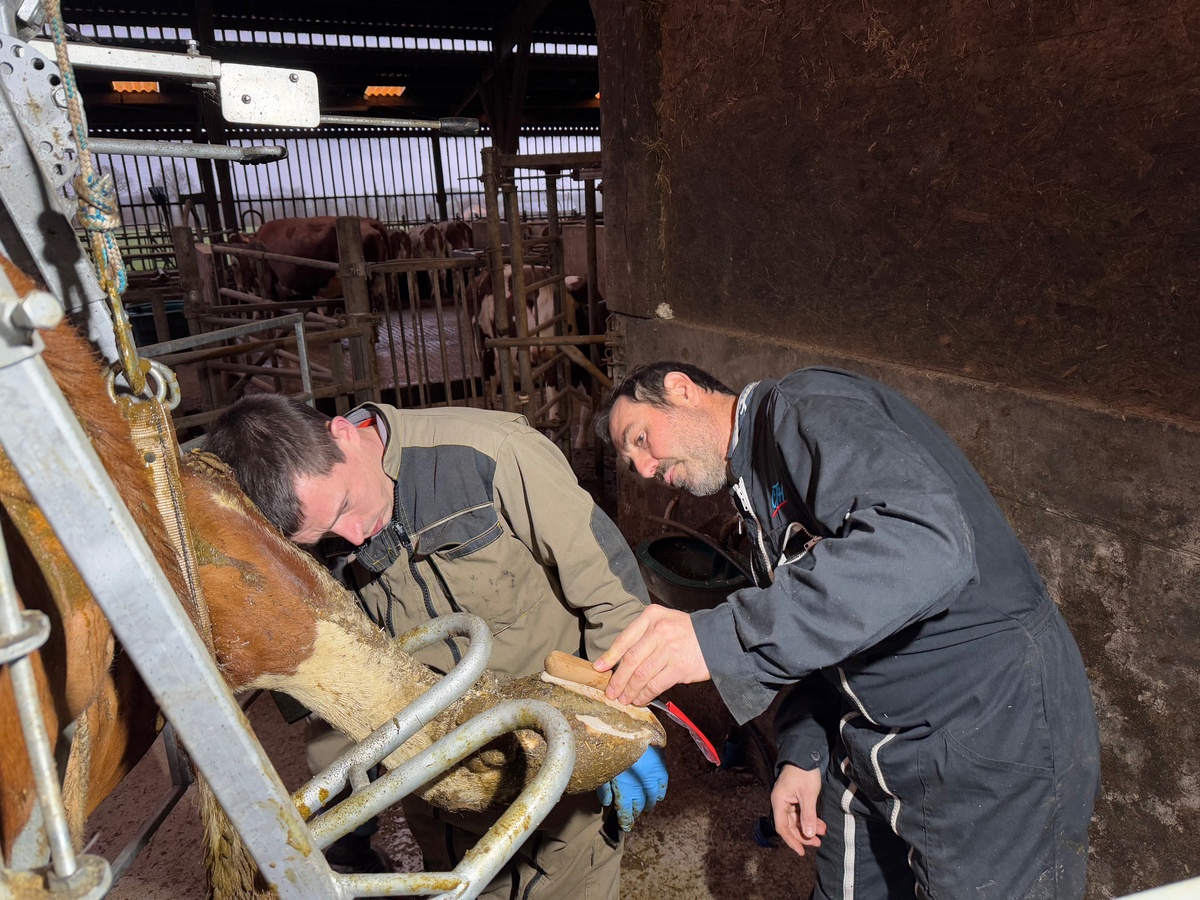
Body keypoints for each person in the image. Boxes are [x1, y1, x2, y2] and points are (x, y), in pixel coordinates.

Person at [592, 361, 1100, 899]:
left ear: (682, 389)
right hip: (877, 742)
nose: (645, 468)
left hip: (990, 731)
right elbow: (832, 631)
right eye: (631, 464)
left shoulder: (803, 408)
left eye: (641, 438)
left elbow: (927, 546)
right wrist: (803, 750)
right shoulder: (756, 491)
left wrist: (721, 636)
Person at [204, 393, 667, 900]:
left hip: (555, 787)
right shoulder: (308, 554)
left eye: (344, 506)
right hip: (440, 813)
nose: (353, 536)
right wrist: (343, 837)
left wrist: (618, 715)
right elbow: (335, 701)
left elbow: (613, 595)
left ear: (343, 432)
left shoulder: (490, 456)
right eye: (323, 533)